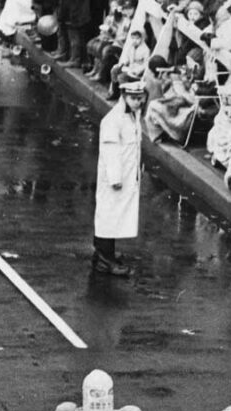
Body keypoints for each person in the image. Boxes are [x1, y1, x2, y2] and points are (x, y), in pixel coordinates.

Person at [93, 80, 145, 276]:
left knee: (115, 217)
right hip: (114, 179)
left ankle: (106, 254)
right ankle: (104, 259)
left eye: (140, 98)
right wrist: (115, 178)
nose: (138, 102)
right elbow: (111, 152)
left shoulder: (132, 116)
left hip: (127, 176)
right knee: (108, 217)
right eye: (133, 98)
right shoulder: (113, 120)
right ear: (124, 96)